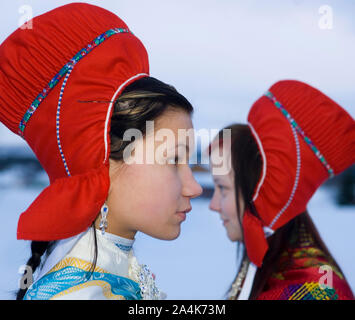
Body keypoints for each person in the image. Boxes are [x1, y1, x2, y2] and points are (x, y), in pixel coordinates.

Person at [0, 3, 202, 300]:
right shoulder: (84, 292)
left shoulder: (102, 271)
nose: (195, 187)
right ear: (101, 159)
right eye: (172, 160)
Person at [207, 80, 355, 300]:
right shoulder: (280, 270)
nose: (213, 204)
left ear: (265, 192)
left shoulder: (315, 293)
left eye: (223, 188)